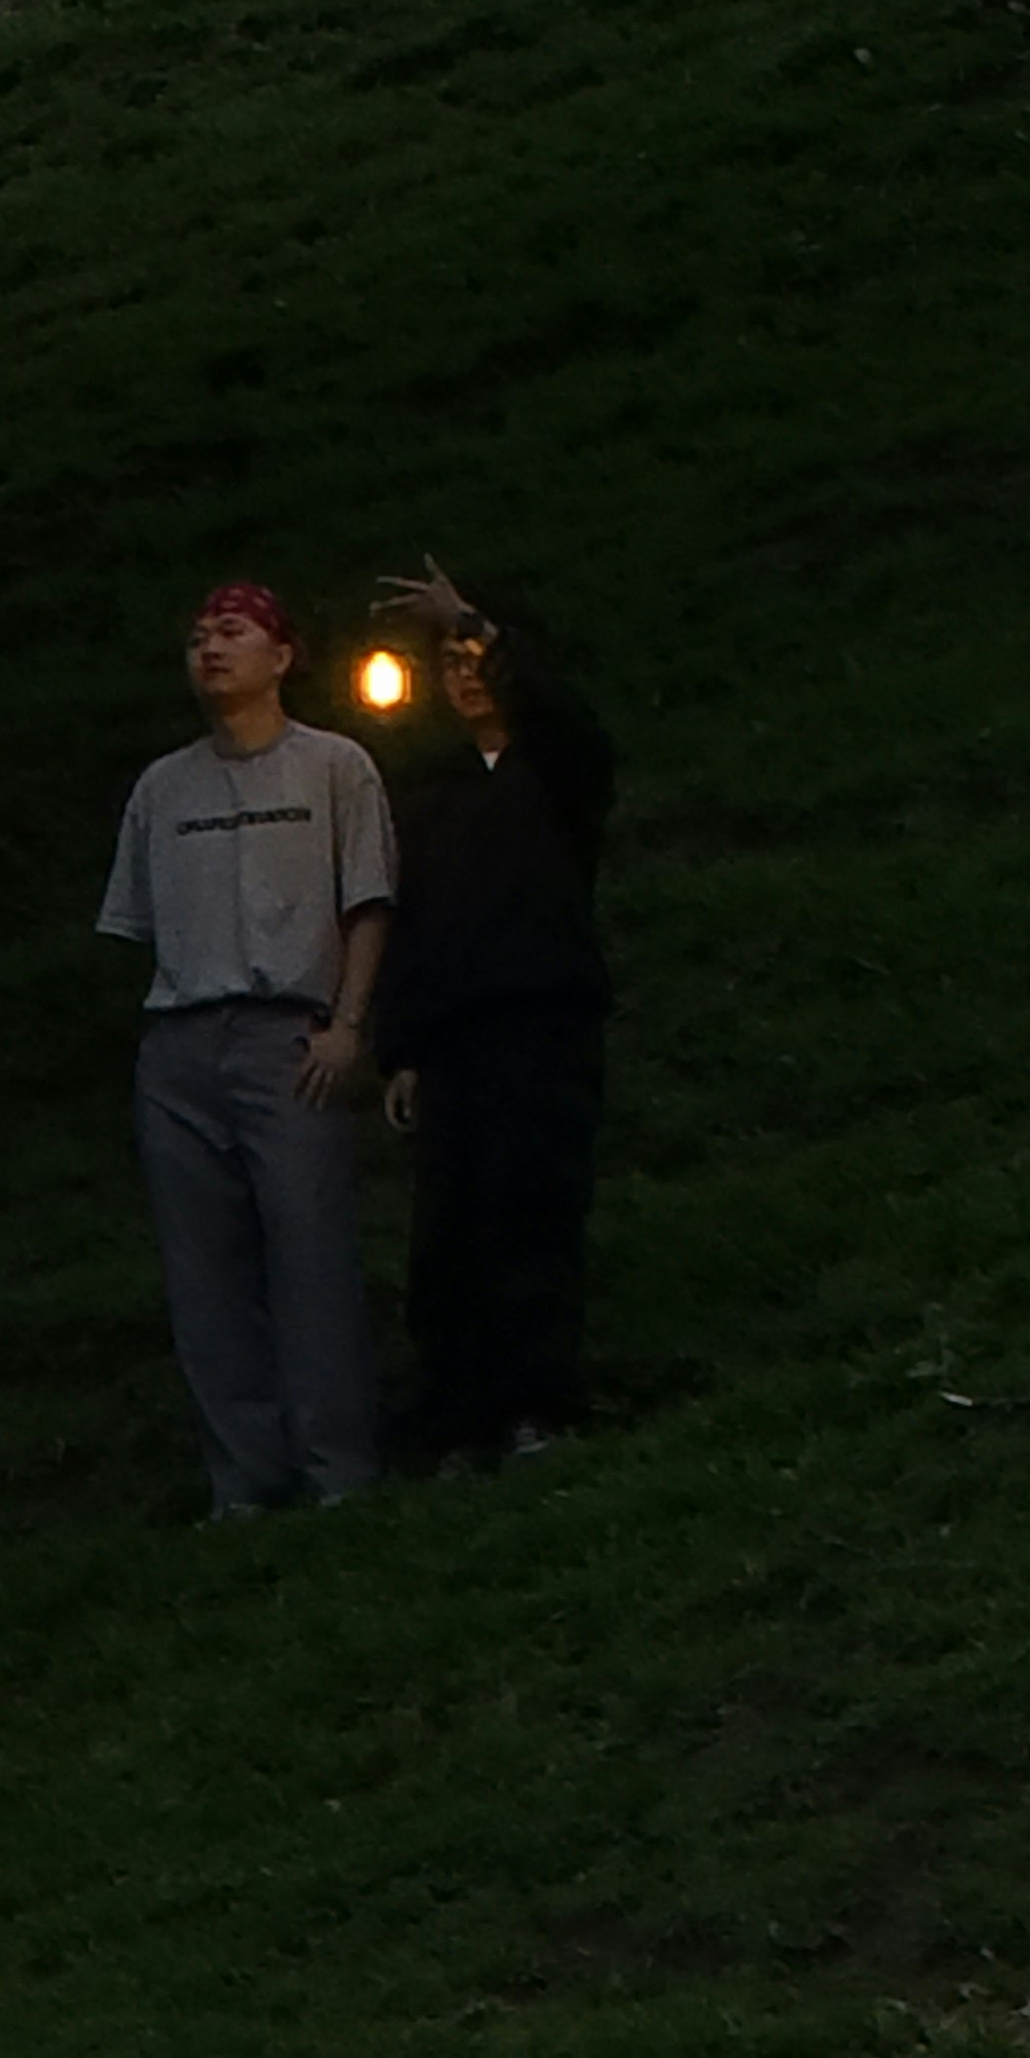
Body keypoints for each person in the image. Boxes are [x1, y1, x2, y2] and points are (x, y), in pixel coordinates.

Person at [89, 579, 399, 1518]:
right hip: (182, 1037)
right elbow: (135, 922)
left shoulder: (335, 768)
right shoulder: (163, 787)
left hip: (287, 1032)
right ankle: (246, 1479)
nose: (210, 649)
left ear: (281, 655)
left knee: (310, 1255)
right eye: (197, 637)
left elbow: (369, 904)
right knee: (205, 1273)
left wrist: (348, 1026)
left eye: (231, 632)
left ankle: (337, 1469)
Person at [363, 569, 622, 1464]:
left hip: (539, 1018)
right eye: (449, 659)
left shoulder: (558, 771)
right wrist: (401, 1048)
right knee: (447, 1231)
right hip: (452, 1034)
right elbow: (411, 922)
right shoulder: (431, 792)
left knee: (530, 1211)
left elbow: (560, 712)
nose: (465, 671)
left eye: (478, 655)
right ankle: (456, 1416)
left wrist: (473, 619)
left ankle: (537, 1406)